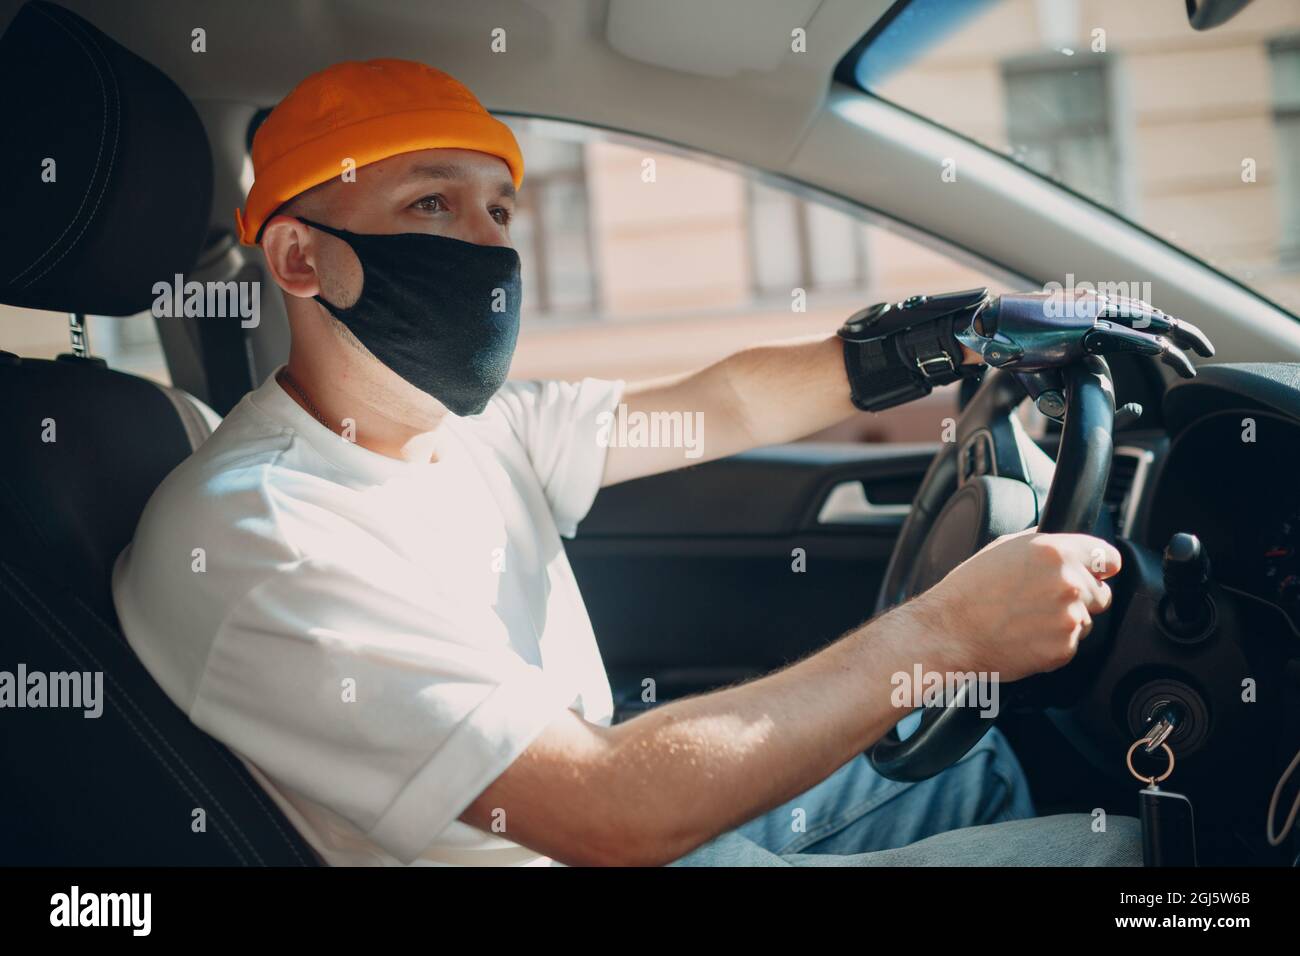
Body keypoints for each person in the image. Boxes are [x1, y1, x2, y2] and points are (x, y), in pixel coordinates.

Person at [113, 58, 1204, 866]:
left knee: (972, 769)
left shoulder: (468, 427)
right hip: (602, 838)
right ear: (301, 256)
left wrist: (963, 332)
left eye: (501, 211)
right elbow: (604, 808)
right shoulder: (261, 534)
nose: (490, 250)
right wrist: (947, 630)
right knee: (1132, 859)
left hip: (633, 823)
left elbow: (716, 402)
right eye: (430, 204)